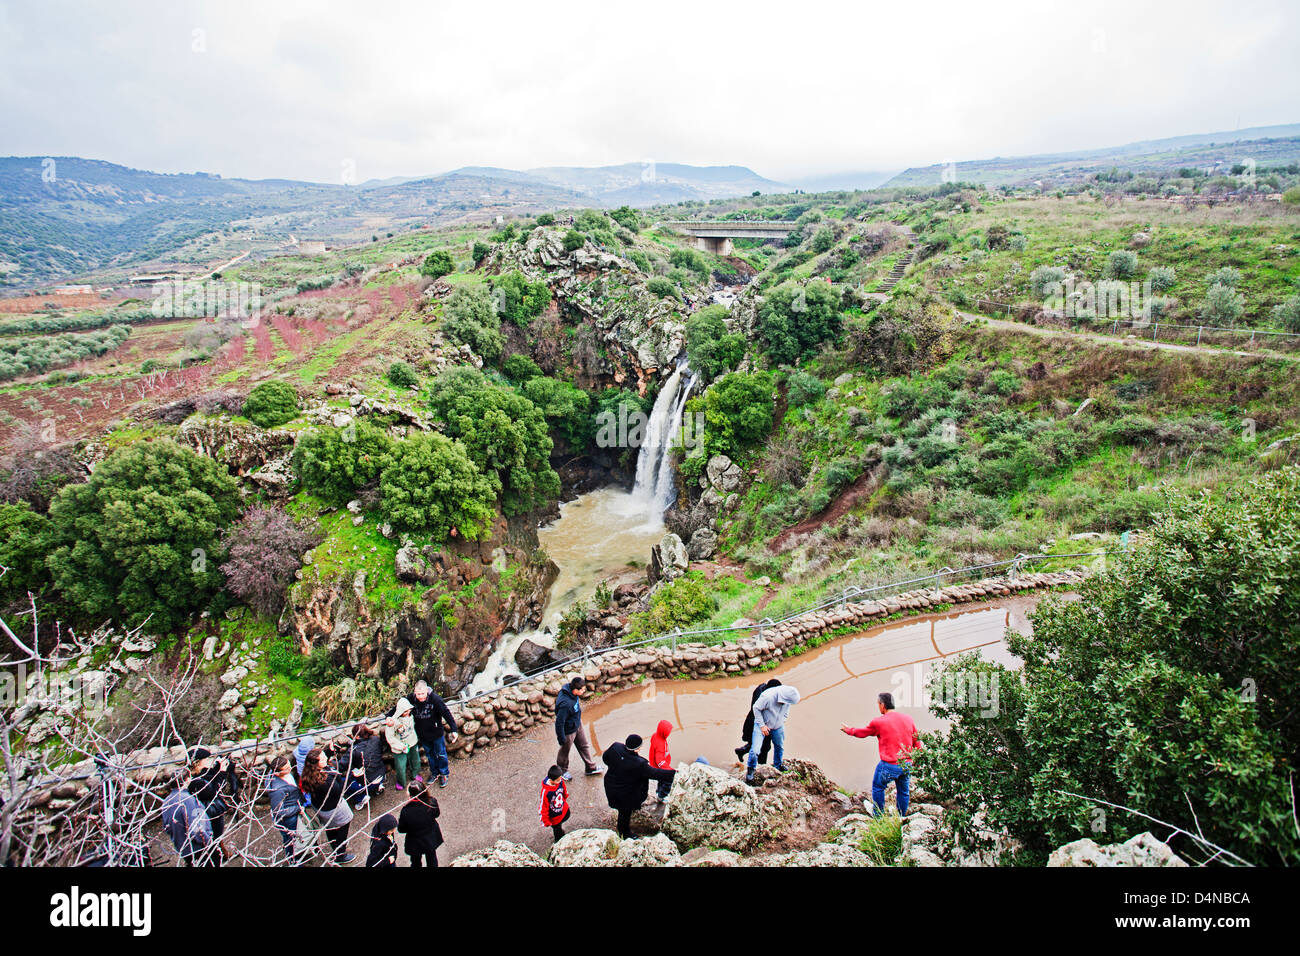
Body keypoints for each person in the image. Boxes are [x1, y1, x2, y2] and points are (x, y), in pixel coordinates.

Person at [841, 691, 922, 816]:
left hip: (889, 765)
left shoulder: (879, 722)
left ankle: (878, 815)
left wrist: (849, 730)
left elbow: (864, 732)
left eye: (878, 704)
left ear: (882, 705)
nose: (878, 706)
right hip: (907, 763)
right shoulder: (908, 719)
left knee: (878, 787)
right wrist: (917, 759)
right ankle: (901, 817)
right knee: (904, 791)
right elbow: (916, 740)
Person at [601, 734, 675, 839]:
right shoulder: (640, 764)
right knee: (624, 813)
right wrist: (674, 773)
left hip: (611, 785)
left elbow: (605, 758)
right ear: (637, 749)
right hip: (625, 794)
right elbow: (656, 773)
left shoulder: (615, 747)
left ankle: (624, 830)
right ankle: (624, 834)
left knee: (622, 809)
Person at [389, 680, 458, 789]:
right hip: (422, 734)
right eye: (418, 694)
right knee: (430, 755)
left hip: (436, 733)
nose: (420, 697)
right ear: (415, 692)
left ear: (427, 691)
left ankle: (444, 774)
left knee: (441, 754)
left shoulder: (435, 699)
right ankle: (434, 773)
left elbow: (446, 713)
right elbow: (398, 708)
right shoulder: (411, 698)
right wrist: (388, 717)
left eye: (422, 694)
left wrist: (454, 729)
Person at [301, 747, 356, 864]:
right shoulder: (325, 782)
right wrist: (349, 776)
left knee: (330, 827)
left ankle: (334, 847)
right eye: (323, 759)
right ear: (316, 764)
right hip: (333, 808)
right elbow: (340, 789)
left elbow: (323, 756)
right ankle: (340, 854)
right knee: (342, 827)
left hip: (320, 807)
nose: (326, 758)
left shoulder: (309, 774)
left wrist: (328, 750)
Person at [188, 747, 239, 864]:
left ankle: (222, 853)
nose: (207, 761)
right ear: (197, 762)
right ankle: (215, 858)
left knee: (217, 834)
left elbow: (211, 776)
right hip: (208, 812)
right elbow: (212, 790)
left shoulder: (201, 773)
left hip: (213, 810)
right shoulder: (194, 781)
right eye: (205, 759)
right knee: (213, 836)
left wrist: (221, 766)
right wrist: (221, 772)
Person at [745, 684, 801, 785]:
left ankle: (778, 765)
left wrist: (782, 720)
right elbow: (756, 708)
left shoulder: (787, 699)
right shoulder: (768, 696)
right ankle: (751, 770)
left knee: (779, 746)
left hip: (778, 726)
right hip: (761, 725)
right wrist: (762, 725)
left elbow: (786, 710)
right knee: (755, 750)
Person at [160, 768, 213, 867]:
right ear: (186, 780)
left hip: (182, 847)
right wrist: (207, 841)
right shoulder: (187, 799)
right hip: (197, 848)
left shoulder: (166, 801)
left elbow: (167, 827)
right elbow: (196, 828)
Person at [554, 676, 602, 780]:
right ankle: (562, 771)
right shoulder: (565, 704)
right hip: (568, 731)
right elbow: (559, 722)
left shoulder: (572, 693)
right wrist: (561, 738)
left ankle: (590, 767)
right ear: (575, 690)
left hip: (577, 724)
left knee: (584, 746)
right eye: (582, 690)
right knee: (564, 752)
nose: (584, 691)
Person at [266, 754, 306, 865]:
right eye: (287, 768)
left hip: (293, 810)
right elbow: (279, 812)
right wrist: (298, 808)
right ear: (277, 773)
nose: (290, 768)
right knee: (290, 841)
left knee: (295, 838)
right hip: (288, 819)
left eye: (289, 766)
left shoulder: (284, 775)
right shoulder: (277, 790)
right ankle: (293, 861)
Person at [734, 678, 782, 765]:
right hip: (758, 724)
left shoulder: (761, 688)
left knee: (758, 745)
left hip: (755, 722)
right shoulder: (762, 698)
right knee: (764, 748)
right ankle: (761, 768)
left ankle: (741, 751)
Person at [397, 781, 444, 868]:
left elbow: (401, 829)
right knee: (432, 859)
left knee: (415, 862)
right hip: (431, 837)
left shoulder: (406, 811)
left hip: (415, 842)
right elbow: (437, 814)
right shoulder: (431, 802)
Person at [339, 724, 385, 810]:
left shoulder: (354, 749)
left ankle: (361, 798)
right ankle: (379, 786)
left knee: (343, 783)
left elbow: (341, 766)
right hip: (381, 774)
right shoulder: (376, 739)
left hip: (369, 781)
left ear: (356, 737)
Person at [384, 697, 421, 791]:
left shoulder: (411, 715)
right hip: (399, 748)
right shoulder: (392, 722)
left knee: (415, 761)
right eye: (404, 712)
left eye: (408, 711)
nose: (407, 713)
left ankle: (415, 774)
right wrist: (401, 746)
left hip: (412, 742)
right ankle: (401, 782)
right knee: (400, 766)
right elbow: (390, 737)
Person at [539, 765, 570, 843]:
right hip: (554, 816)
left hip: (562, 808)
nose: (559, 781)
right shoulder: (546, 792)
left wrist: (565, 796)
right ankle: (559, 841)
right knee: (557, 830)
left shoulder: (560, 781)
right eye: (557, 780)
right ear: (551, 779)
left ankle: (560, 830)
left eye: (560, 778)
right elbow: (543, 807)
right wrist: (545, 820)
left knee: (565, 816)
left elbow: (563, 789)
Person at [648, 720, 674, 805]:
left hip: (654, 765)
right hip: (660, 767)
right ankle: (662, 796)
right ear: (664, 732)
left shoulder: (655, 735)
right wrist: (669, 770)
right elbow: (659, 761)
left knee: (661, 780)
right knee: (668, 780)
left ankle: (658, 792)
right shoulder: (661, 744)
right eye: (668, 732)